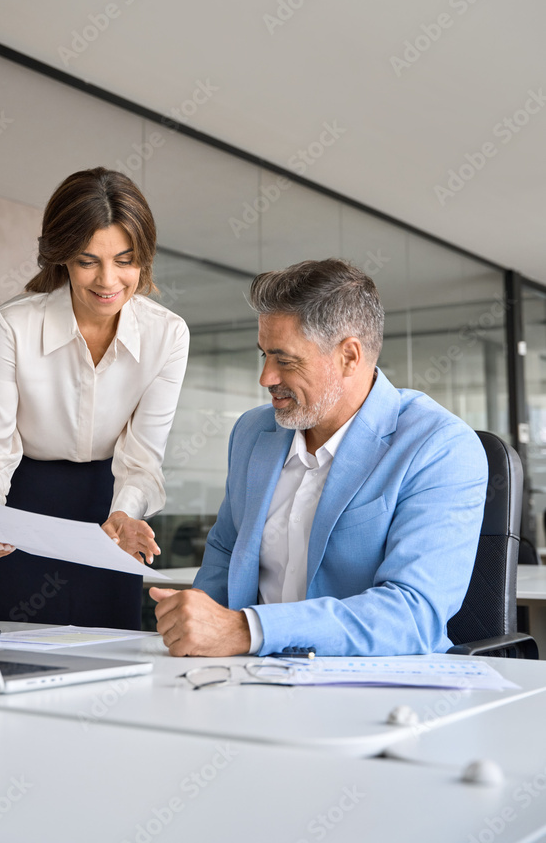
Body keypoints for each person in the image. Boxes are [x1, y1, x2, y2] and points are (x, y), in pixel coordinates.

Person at [150, 258, 488, 657]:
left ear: (349, 356)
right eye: (264, 356)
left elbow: (412, 614)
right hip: (244, 677)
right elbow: (225, 552)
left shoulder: (440, 448)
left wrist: (249, 630)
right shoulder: (252, 433)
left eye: (285, 360)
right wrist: (195, 628)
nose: (266, 379)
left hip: (371, 689)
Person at [0, 167, 189, 629]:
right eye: (88, 261)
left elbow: (143, 460)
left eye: (125, 260)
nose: (108, 281)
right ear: (61, 257)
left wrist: (125, 513)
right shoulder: (14, 325)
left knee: (112, 658)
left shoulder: (168, 334)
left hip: (110, 513)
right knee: (10, 653)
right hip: (18, 507)